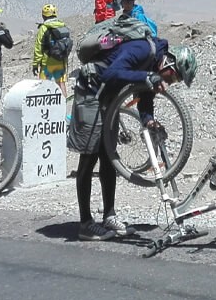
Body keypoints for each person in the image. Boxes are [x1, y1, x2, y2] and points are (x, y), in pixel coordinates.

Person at [69, 38, 198, 240]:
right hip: (91, 89)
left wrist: (149, 121)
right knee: (89, 155)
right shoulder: (142, 49)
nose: (170, 83)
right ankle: (85, 223)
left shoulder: (153, 68)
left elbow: (144, 97)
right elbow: (111, 73)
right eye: (173, 78)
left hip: (108, 95)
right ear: (169, 65)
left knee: (108, 154)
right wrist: (148, 76)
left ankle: (109, 216)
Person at [33, 4, 69, 95]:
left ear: (43, 15)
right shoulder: (62, 26)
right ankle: (63, 105)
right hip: (61, 61)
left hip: (47, 62)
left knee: (43, 86)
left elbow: (39, 47)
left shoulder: (44, 28)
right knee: (61, 84)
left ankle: (44, 107)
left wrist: (35, 63)